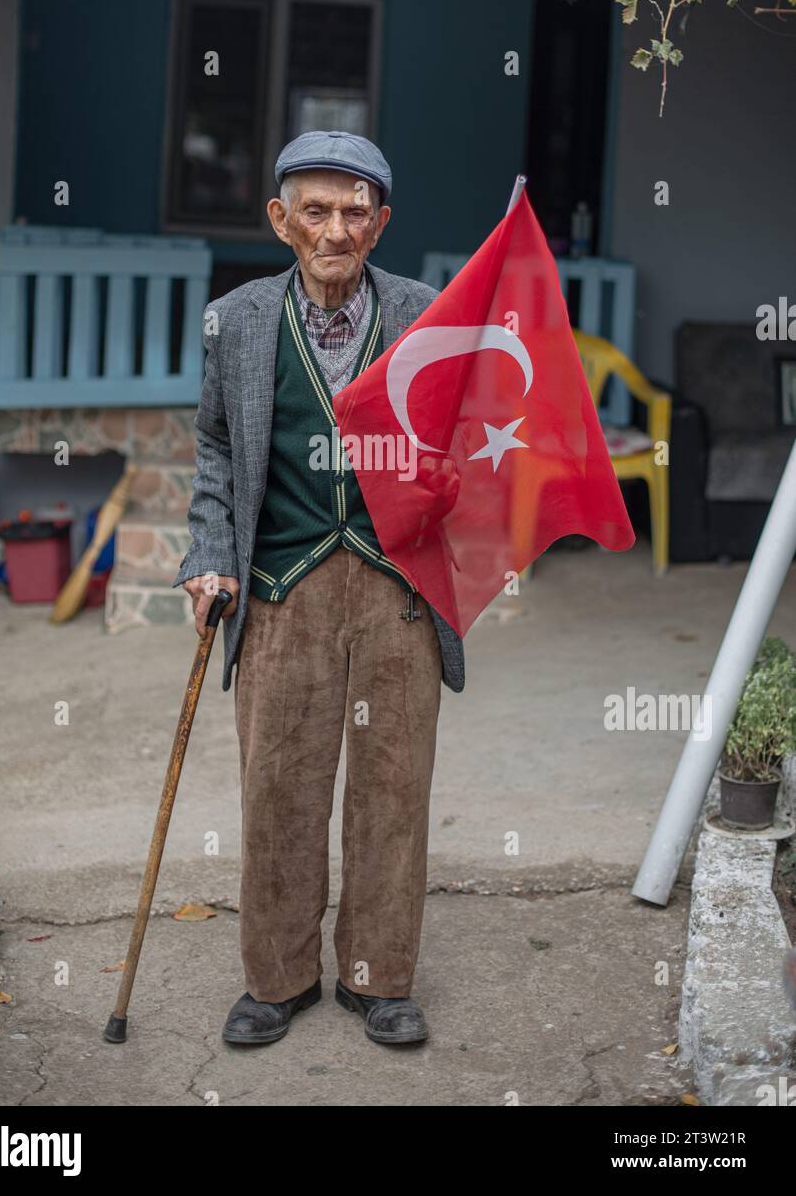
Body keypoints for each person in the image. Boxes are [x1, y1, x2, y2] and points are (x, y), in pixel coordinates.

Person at [174, 130, 464, 1046]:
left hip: (396, 590)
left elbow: (461, 442)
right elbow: (216, 448)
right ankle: (278, 979)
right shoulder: (238, 320)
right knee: (279, 786)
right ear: (280, 220)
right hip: (279, 587)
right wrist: (208, 554)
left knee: (393, 786)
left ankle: (378, 978)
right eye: (316, 210)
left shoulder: (426, 314)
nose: (336, 229)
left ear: (381, 223)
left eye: (354, 211)